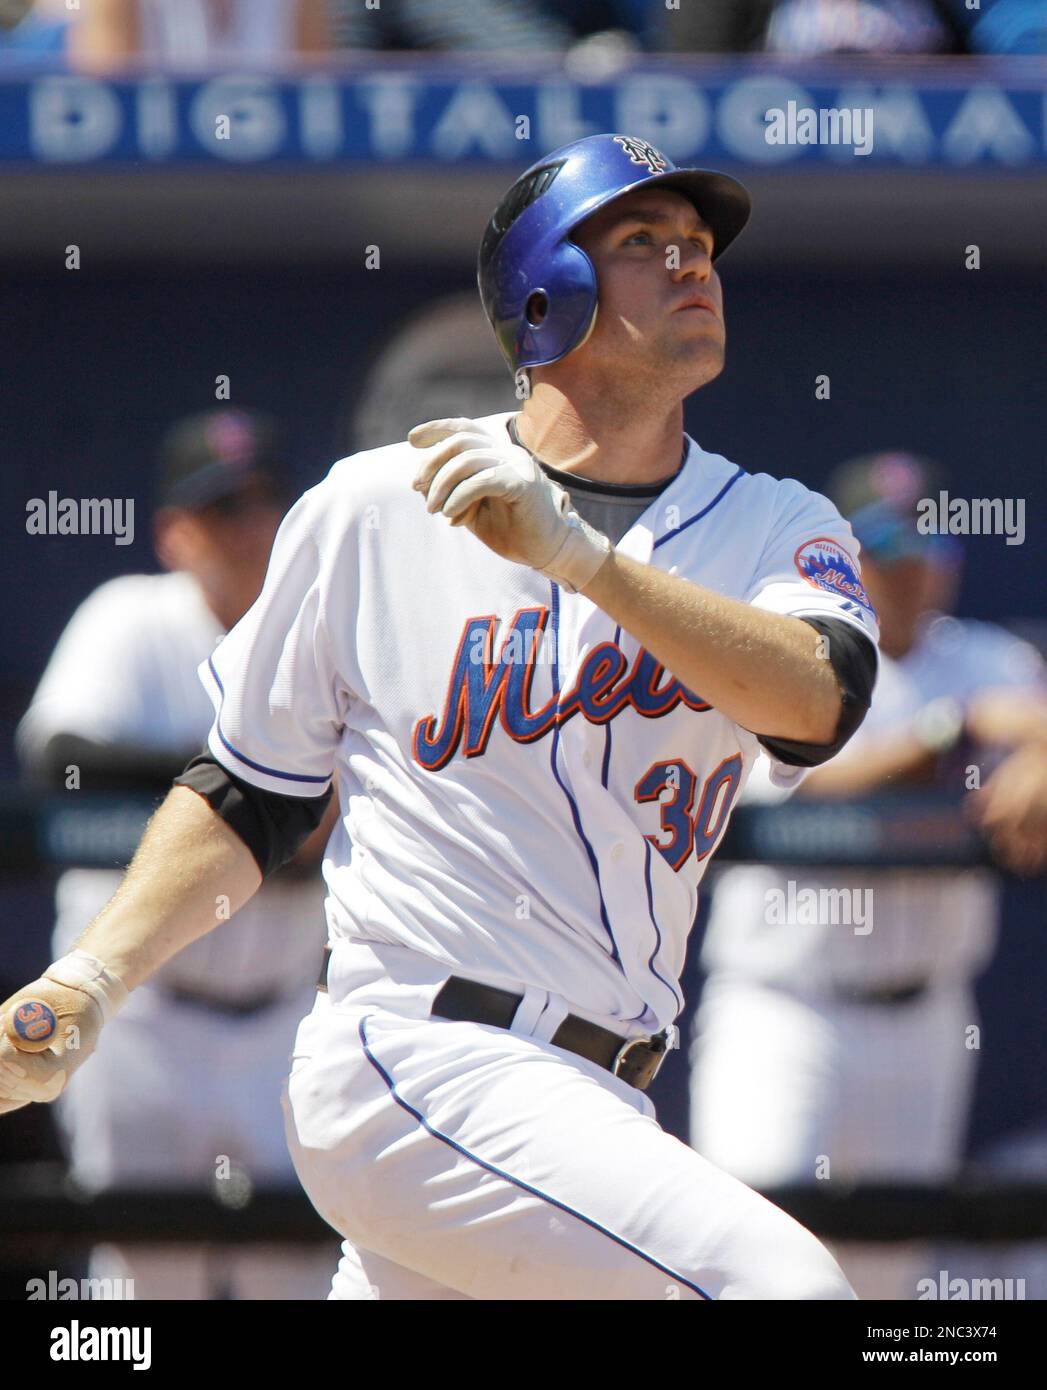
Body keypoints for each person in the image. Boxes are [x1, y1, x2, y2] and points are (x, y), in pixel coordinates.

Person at [1, 134, 880, 1300]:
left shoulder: (776, 524)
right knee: (787, 1291)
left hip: (602, 1093)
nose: (693, 267)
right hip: (415, 1053)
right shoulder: (377, 507)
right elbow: (248, 792)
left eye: (701, 246)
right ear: (545, 293)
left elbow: (821, 701)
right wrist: (96, 976)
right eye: (644, 243)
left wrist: (585, 563)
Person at [690, 450, 1047, 1298]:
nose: (910, 566)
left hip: (924, 1012)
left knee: (887, 1278)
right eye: (884, 544)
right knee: (747, 1259)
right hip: (785, 1009)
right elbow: (794, 779)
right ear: (842, 554)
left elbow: (1023, 712)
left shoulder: (989, 663)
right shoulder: (798, 652)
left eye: (929, 544)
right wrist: (943, 735)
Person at [14, 408, 337, 1300]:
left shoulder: (320, 635)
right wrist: (248, 789)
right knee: (141, 1280)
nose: (247, 530)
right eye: (222, 508)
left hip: (285, 1018)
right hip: (142, 1019)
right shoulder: (132, 618)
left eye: (264, 504)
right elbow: (60, 758)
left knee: (293, 1277)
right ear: (173, 533)